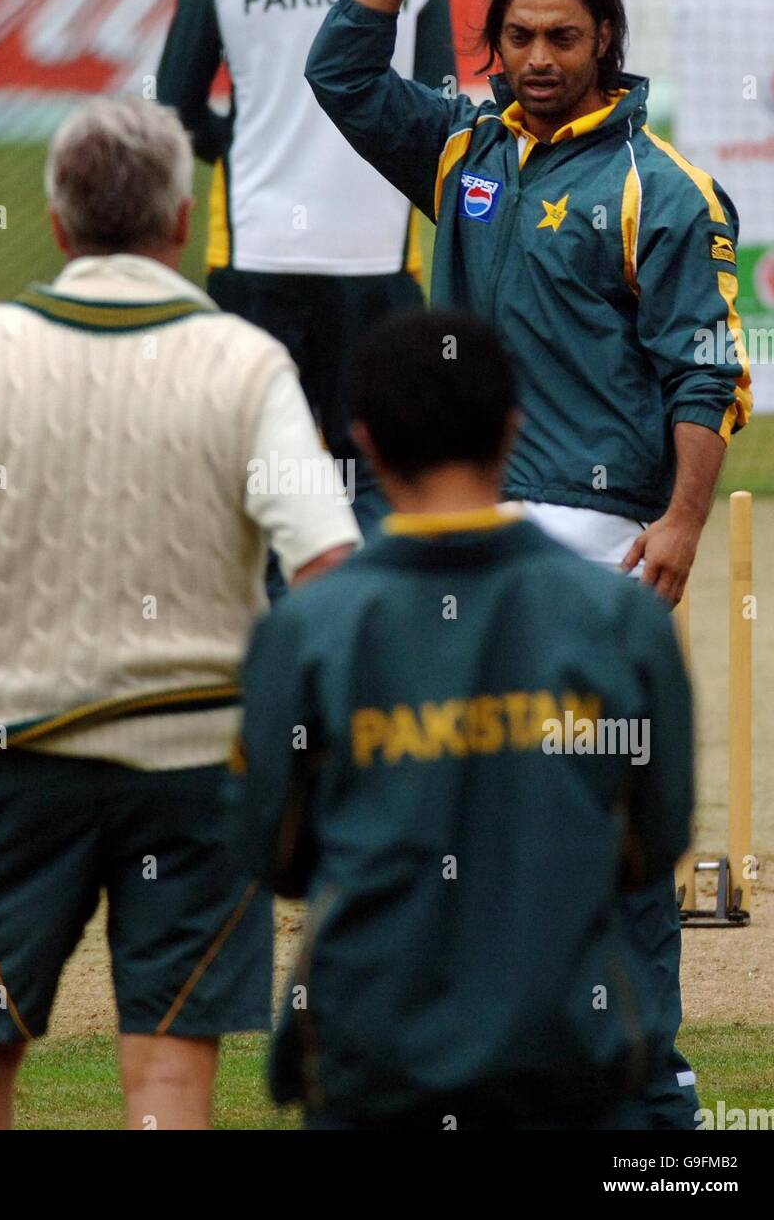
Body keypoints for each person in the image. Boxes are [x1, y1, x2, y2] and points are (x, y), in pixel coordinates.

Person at [303, 0, 752, 1127]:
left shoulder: (658, 188)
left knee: (593, 807)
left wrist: (676, 522)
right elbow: (338, 70)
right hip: (450, 532)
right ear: (489, 47)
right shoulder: (458, 147)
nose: (539, 55)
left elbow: (705, 371)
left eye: (562, 35)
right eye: (517, 37)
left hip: (597, 535)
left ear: (606, 42)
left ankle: (644, 1068)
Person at [0, 96, 360, 1131]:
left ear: (57, 223)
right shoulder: (243, 363)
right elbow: (330, 562)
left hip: (17, 756)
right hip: (202, 773)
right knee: (167, 1070)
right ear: (179, 218)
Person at [236, 310, 695, 1130]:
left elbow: (276, 852)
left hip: (370, 1061)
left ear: (366, 443)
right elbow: (653, 842)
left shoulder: (307, 629)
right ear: (513, 429)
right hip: (570, 1060)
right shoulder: (620, 621)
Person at [157, 0, 456, 542]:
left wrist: (240, 146)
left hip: (256, 261)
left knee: (260, 477)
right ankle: (376, 635)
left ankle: (275, 638)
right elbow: (435, 116)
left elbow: (173, 110)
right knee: (383, 475)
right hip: (378, 263)